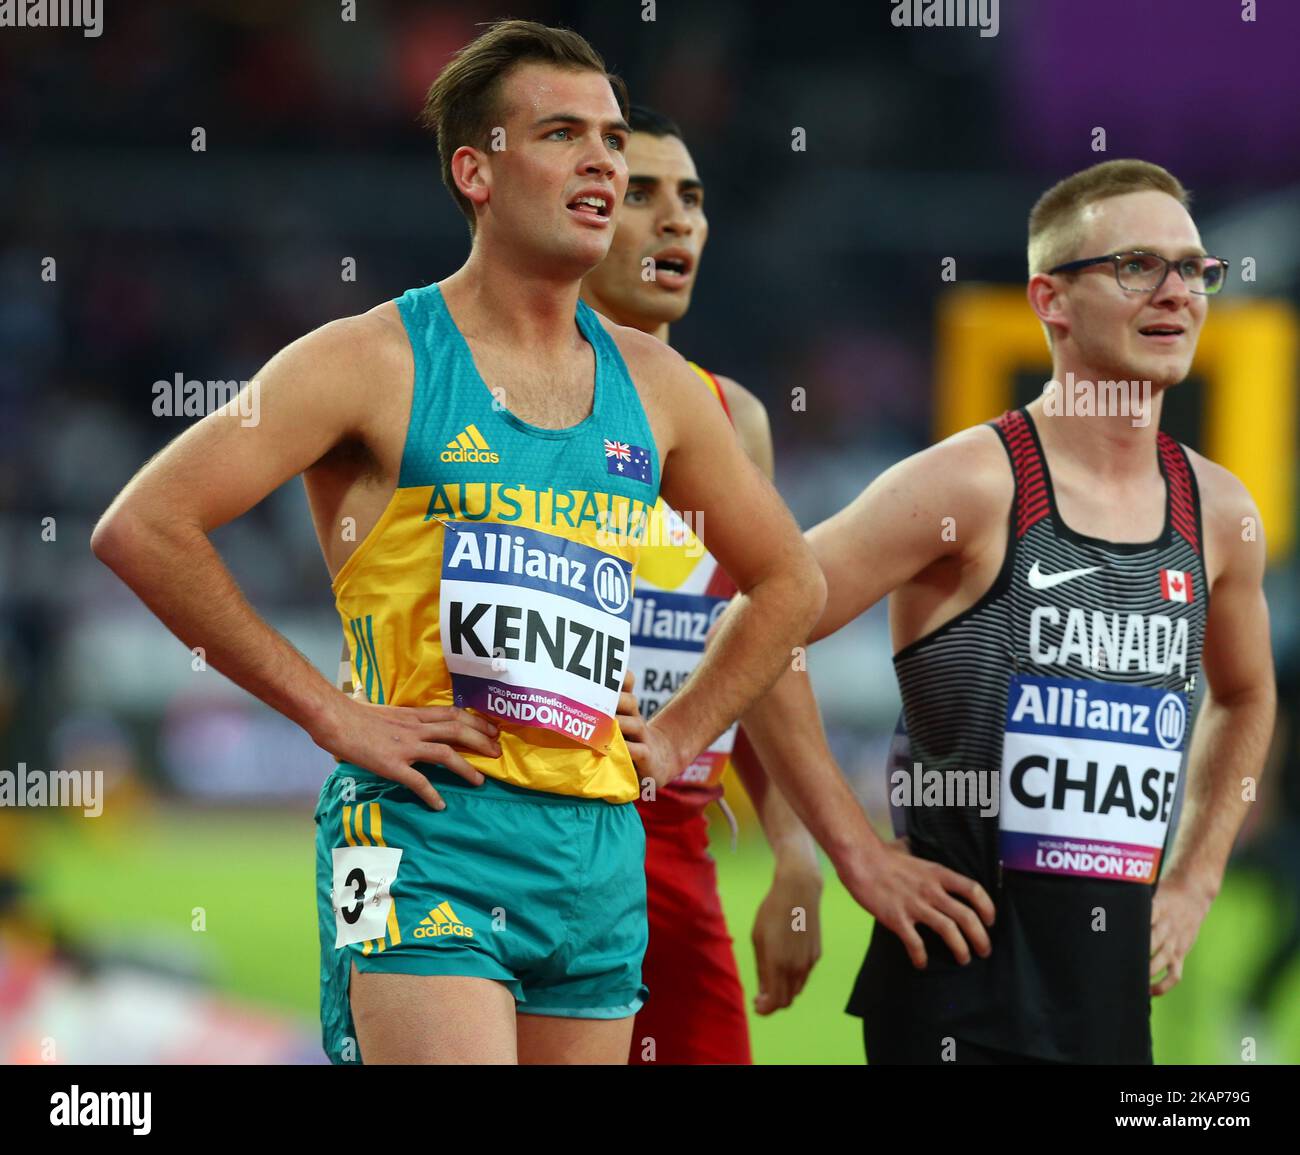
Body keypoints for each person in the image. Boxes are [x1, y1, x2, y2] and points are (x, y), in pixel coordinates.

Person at [90, 19, 825, 1065]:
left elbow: (790, 578)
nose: (602, 163)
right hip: (425, 835)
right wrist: (330, 713)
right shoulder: (367, 361)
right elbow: (144, 527)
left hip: (597, 850)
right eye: (563, 133)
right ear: (475, 170)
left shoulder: (660, 392)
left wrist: (675, 735)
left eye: (613, 139)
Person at [740, 159, 1276, 1063]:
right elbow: (755, 624)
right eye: (1138, 265)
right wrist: (856, 853)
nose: (1178, 292)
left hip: (1112, 1008)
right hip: (959, 998)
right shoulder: (972, 483)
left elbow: (1246, 694)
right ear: (1050, 299)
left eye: (1196, 269)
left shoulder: (1219, 513)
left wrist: (1193, 878)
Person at [580, 104, 823, 1065]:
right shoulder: (483, 392)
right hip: (526, 826)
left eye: (692, 198)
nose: (676, 221)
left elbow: (758, 640)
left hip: (674, 851)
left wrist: (793, 846)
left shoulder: (735, 421)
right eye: (642, 194)